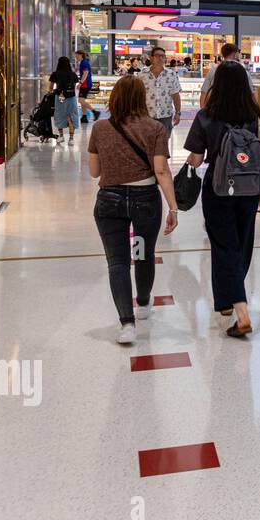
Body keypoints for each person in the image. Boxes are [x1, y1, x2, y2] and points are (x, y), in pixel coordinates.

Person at [87, 75, 178, 344]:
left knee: (117, 262)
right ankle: (144, 302)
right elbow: (161, 170)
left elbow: (94, 172)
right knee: (143, 253)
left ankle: (126, 324)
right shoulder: (154, 129)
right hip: (144, 200)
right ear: (142, 98)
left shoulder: (100, 128)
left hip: (110, 201)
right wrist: (173, 207)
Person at [184, 61, 260, 339]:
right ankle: (226, 302)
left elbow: (195, 159)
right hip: (250, 189)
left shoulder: (207, 115)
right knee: (242, 244)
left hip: (218, 189)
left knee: (223, 246)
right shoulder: (256, 116)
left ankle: (240, 308)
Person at [137, 46, 182, 149]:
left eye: (163, 56)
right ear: (151, 58)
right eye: (157, 56)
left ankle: (161, 165)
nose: (160, 58)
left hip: (165, 116)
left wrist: (178, 112)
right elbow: (137, 95)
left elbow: (175, 95)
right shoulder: (142, 75)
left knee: (162, 147)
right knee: (146, 145)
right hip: (147, 116)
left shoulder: (171, 75)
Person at [48, 56, 81, 144]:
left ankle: (61, 136)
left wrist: (50, 93)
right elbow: (74, 86)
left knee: (59, 116)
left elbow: (51, 87)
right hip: (71, 97)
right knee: (70, 116)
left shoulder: (55, 74)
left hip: (60, 97)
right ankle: (71, 138)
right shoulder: (72, 74)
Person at [201, 42, 242, 106]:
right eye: (238, 52)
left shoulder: (213, 70)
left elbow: (204, 92)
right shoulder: (242, 71)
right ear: (235, 54)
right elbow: (250, 94)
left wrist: (203, 110)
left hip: (215, 109)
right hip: (236, 109)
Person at [75, 50, 97, 123]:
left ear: (81, 55)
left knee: (80, 100)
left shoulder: (84, 62)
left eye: (77, 55)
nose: (76, 57)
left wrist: (80, 83)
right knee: (82, 100)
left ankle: (95, 112)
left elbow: (86, 73)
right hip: (85, 84)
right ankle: (84, 117)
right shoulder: (83, 62)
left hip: (85, 84)